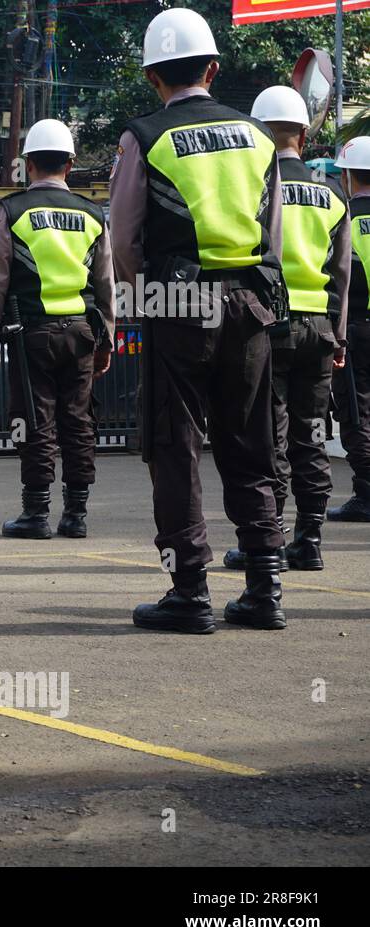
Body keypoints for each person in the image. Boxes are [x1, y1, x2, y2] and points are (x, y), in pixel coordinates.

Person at [110, 8, 287, 634]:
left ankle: (189, 591)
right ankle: (265, 588)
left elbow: (125, 240)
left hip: (177, 304)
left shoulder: (146, 136)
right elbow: (273, 236)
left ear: (152, 74)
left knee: (174, 444)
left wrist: (143, 298)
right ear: (213, 68)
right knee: (251, 442)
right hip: (252, 303)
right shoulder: (259, 137)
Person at [219, 87, 349, 573]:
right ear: (304, 130)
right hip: (318, 329)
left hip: (270, 329)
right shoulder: (332, 191)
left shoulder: (253, 181)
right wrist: (337, 335)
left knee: (266, 441)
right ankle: (310, 541)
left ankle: (267, 542)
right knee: (310, 437)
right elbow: (342, 274)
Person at [0, 118, 116, 540]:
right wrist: (107, 337)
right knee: (78, 421)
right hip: (80, 333)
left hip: (30, 335)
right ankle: (76, 514)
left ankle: (35, 514)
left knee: (34, 421)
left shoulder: (13, 212)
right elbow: (106, 283)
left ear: (28, 164)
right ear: (71, 165)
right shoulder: (93, 215)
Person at [329, 136, 370, 522]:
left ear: (347, 177)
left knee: (358, 414)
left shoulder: (344, 218)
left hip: (356, 329)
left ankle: (367, 493)